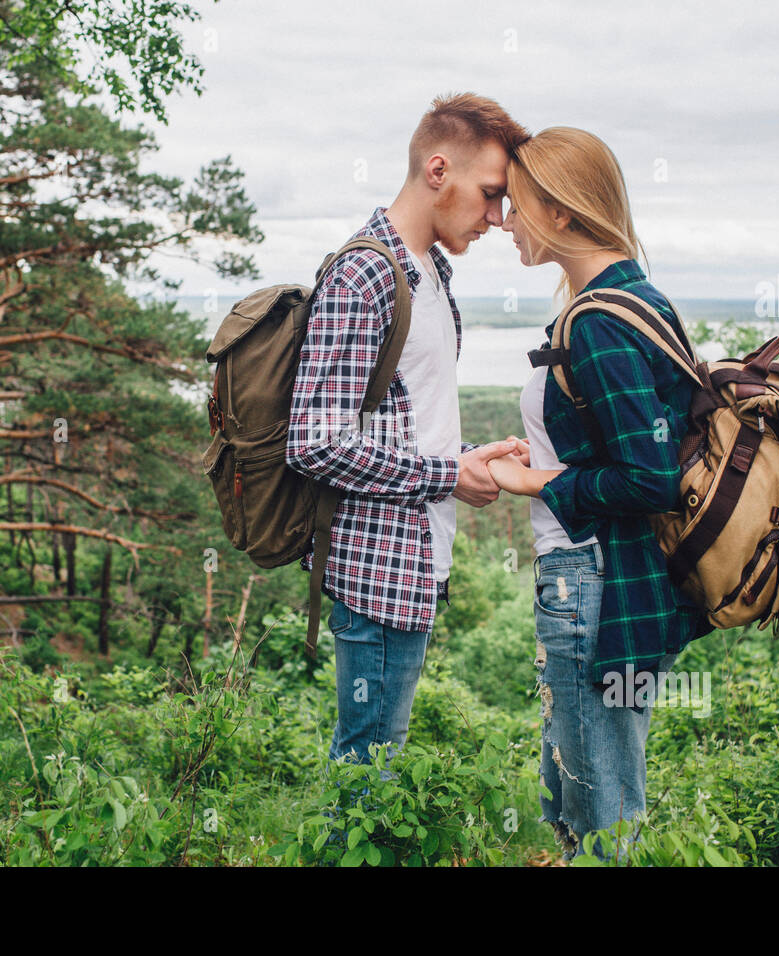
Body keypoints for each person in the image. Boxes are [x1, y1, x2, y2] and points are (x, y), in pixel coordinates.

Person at [285, 92, 529, 768]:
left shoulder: (431, 271)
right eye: (489, 195)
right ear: (438, 171)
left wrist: (466, 458)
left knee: (376, 759)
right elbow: (314, 439)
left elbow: (401, 420)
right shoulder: (365, 272)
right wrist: (448, 475)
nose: (497, 218)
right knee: (367, 765)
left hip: (412, 562)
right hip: (373, 567)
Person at [484, 127, 708, 860]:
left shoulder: (601, 322)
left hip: (595, 586)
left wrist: (539, 480)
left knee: (603, 816)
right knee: (580, 797)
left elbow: (651, 478)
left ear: (562, 213)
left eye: (514, 205)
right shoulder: (636, 298)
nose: (503, 221)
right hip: (615, 581)